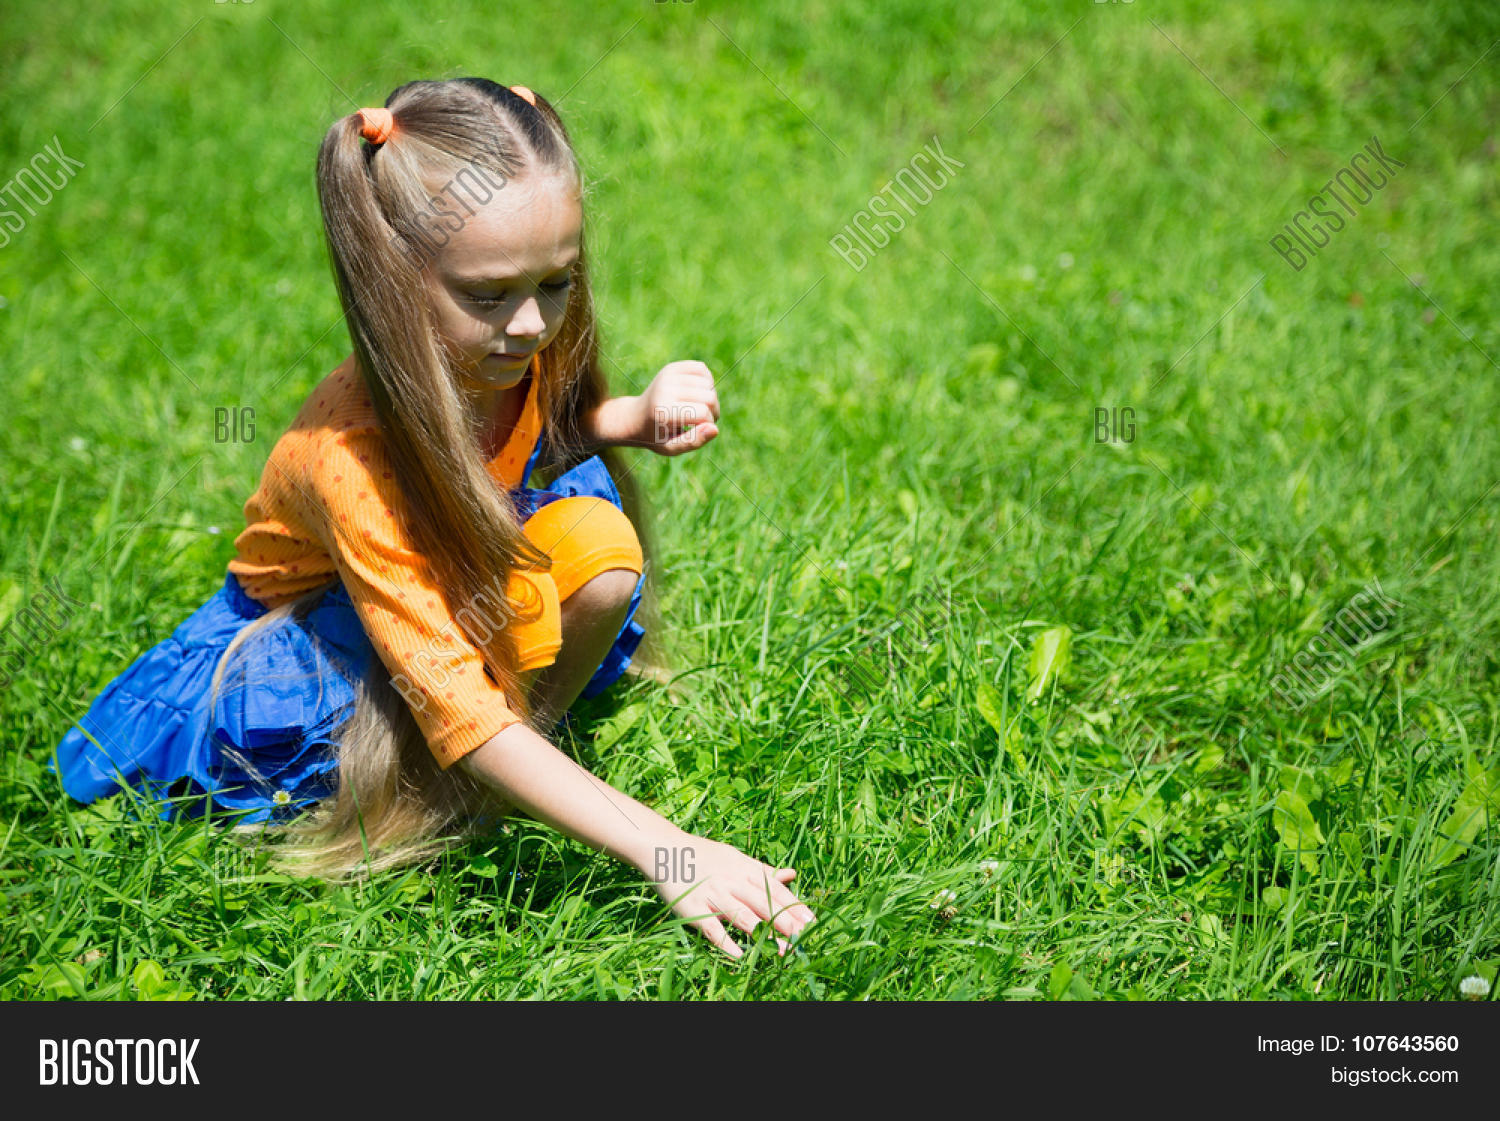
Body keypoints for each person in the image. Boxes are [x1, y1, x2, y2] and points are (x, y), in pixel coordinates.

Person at [53, 78, 814, 958]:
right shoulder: (351, 458)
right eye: (490, 295)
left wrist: (631, 418)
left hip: (447, 556)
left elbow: (525, 442)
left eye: (556, 282)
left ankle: (504, 774)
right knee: (437, 716)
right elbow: (451, 695)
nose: (531, 324)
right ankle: (432, 800)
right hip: (324, 624)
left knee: (601, 551)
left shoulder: (498, 346)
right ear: (393, 282)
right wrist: (669, 849)